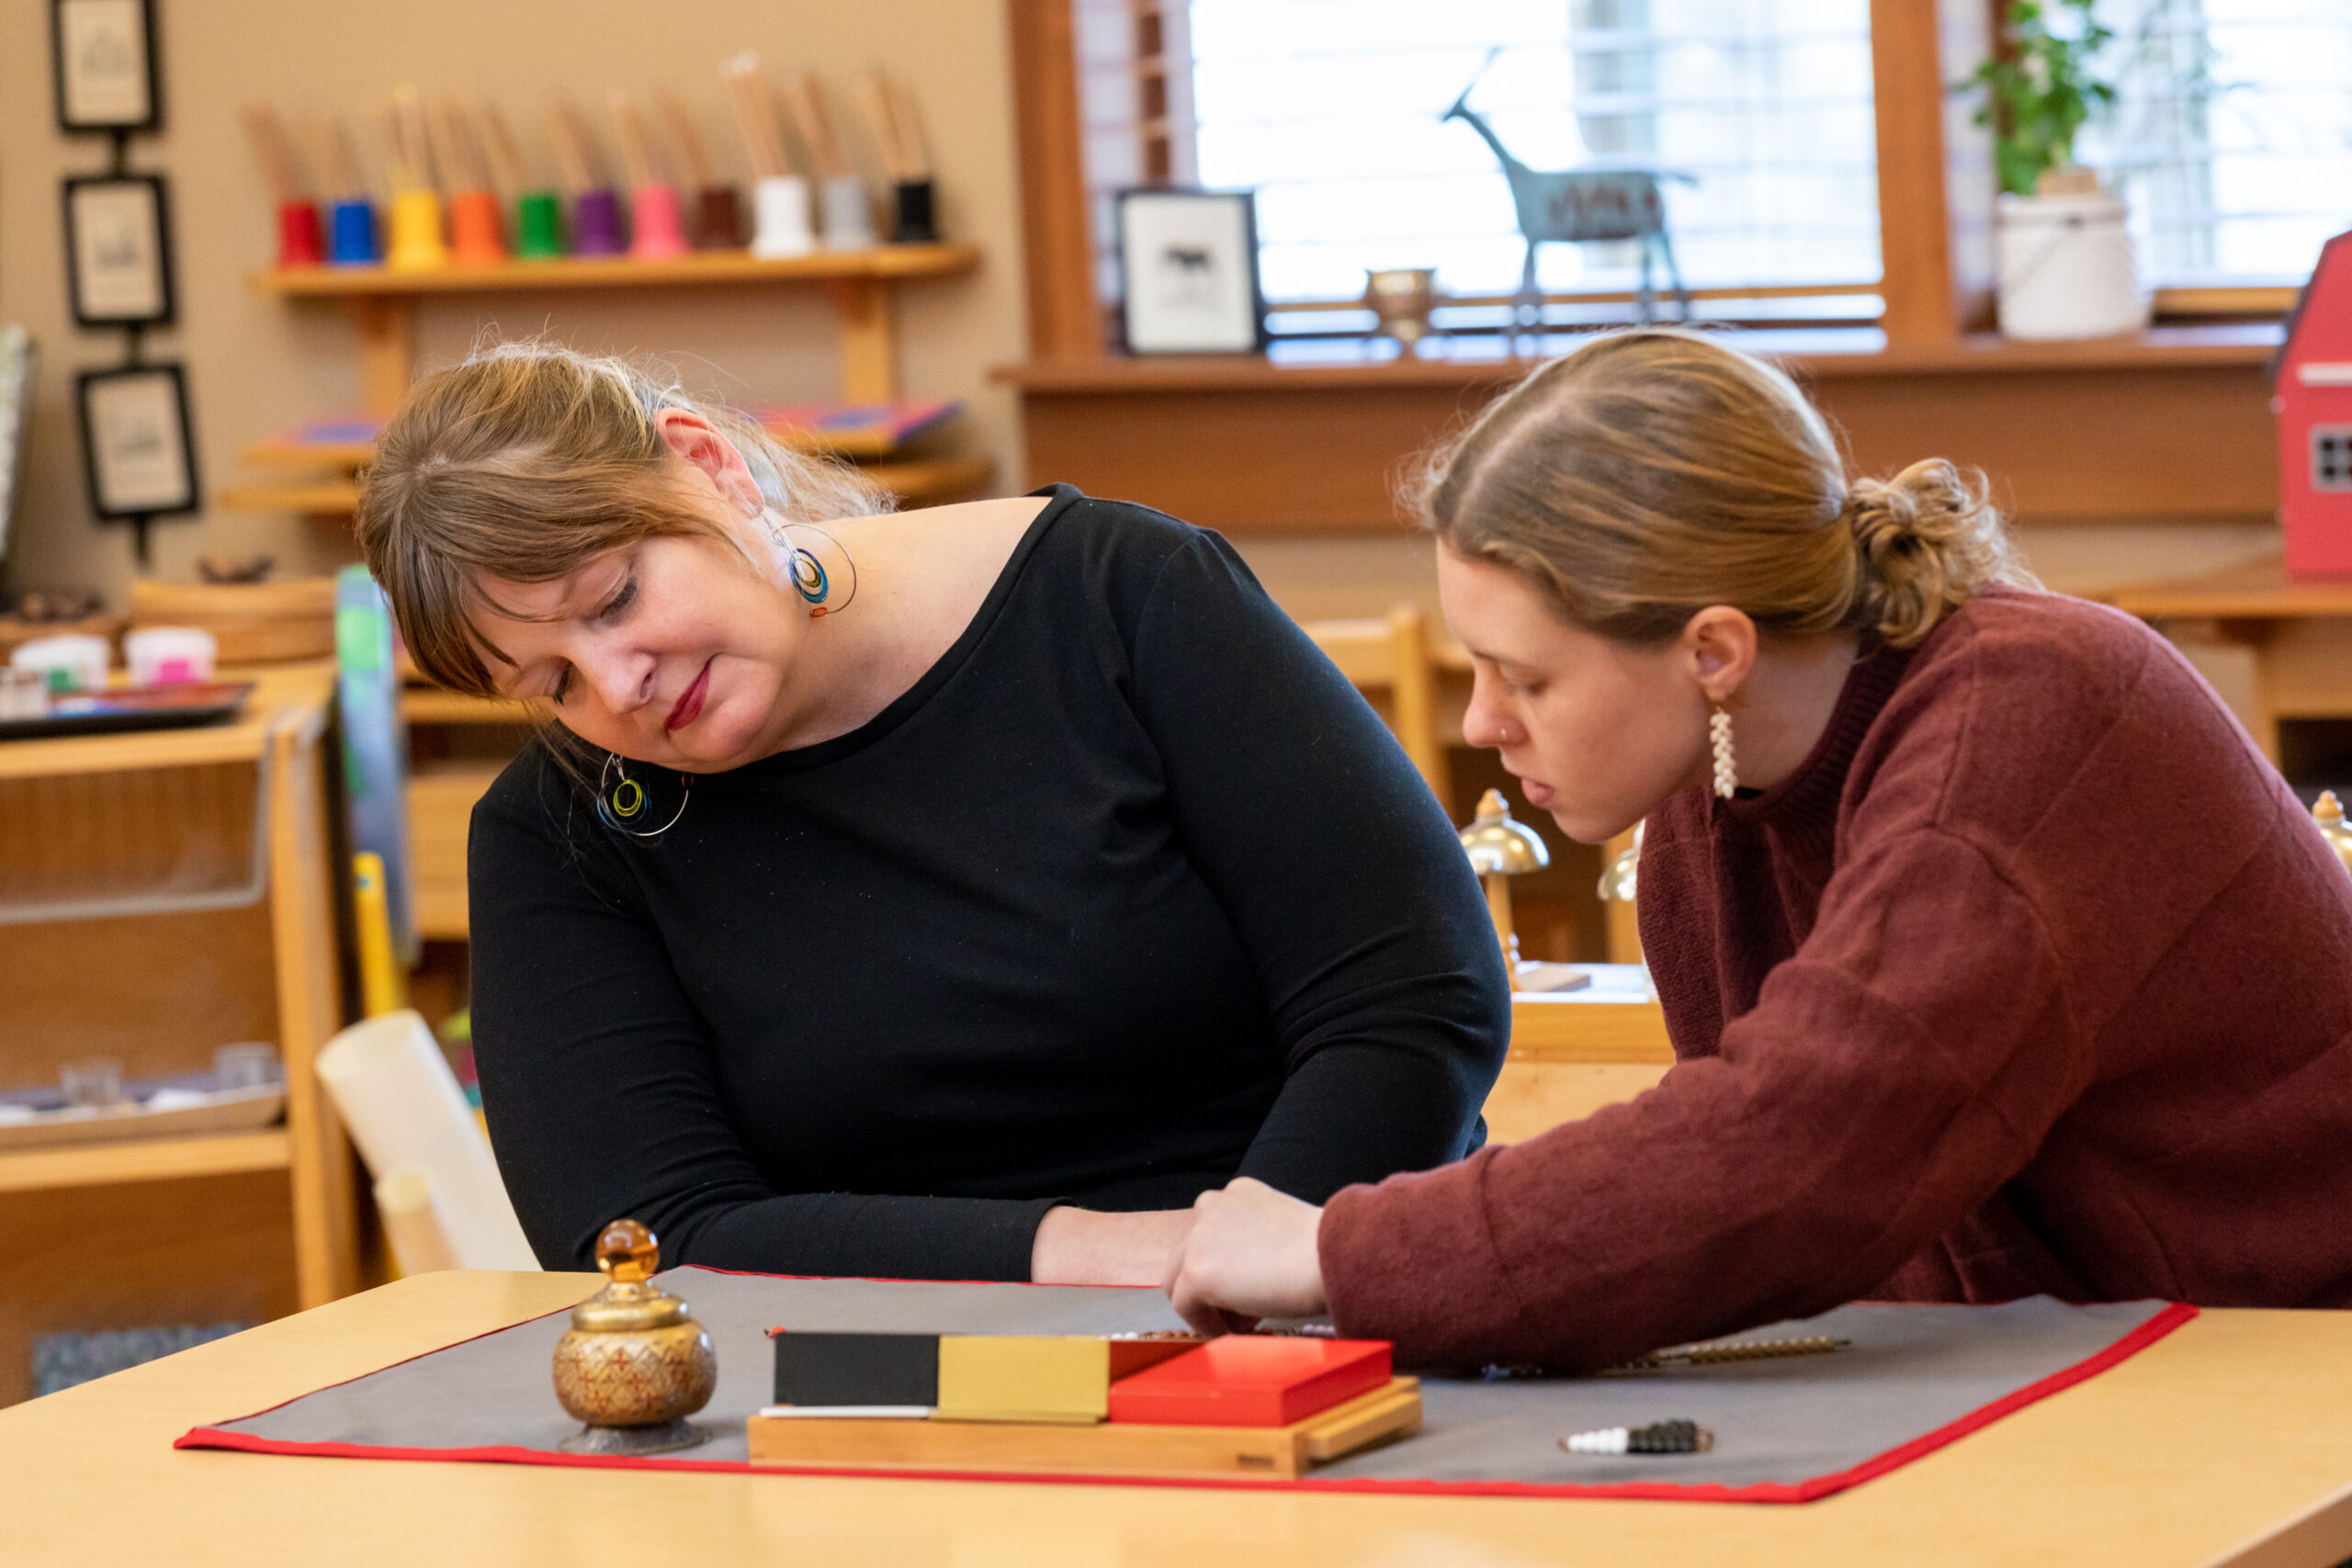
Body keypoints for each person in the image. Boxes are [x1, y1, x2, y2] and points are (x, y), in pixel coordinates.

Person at [1162, 328, 2352, 1366]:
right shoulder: (1706, 804)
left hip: (2290, 1368)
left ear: (1714, 650)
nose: (1480, 722)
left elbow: (1793, 1153)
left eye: (1526, 674)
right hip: (2083, 1368)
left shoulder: (2035, 715)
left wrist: (1338, 1247)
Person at [354, 343, 1509, 1286]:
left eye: (614, 599)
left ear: (707, 466)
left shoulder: (1120, 598)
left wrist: (1253, 1259)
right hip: (865, 1401)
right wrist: (1122, 1255)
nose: (615, 688)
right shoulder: (557, 832)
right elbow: (648, 1233)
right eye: (548, 684)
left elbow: (1411, 999)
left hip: (1321, 1298)